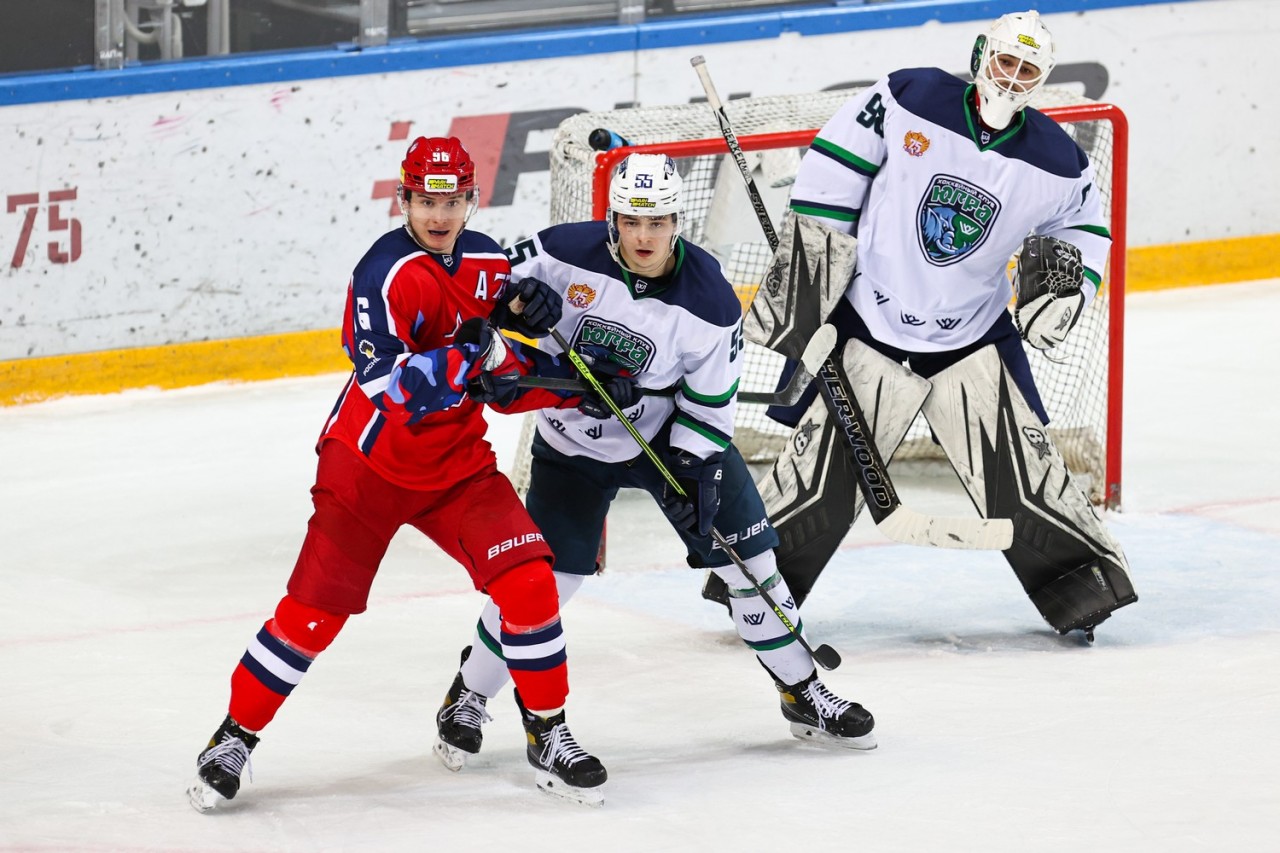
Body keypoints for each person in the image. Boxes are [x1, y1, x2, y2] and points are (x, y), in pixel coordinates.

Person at [187, 136, 608, 812]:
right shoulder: (383, 273)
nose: (439, 214)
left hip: (456, 467)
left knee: (532, 582)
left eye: (452, 201)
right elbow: (391, 387)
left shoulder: (487, 260)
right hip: (367, 469)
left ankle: (549, 734)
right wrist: (468, 353)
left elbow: (497, 376)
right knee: (313, 617)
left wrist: (570, 382)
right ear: (404, 199)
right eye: (425, 201)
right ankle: (233, 738)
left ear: (471, 200)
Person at [432, 153, 876, 782]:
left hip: (667, 438)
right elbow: (477, 285)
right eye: (631, 220)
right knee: (545, 584)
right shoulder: (562, 251)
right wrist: (506, 305)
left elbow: (711, 402)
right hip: (573, 443)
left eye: (658, 221)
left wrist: (698, 472)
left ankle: (802, 690)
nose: (644, 236)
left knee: (751, 562)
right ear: (612, 219)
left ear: (678, 221)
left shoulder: (710, 299)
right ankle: (470, 694)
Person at [722, 9, 1136, 636]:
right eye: (1005, 61)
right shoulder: (910, 95)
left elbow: (1083, 228)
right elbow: (836, 166)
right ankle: (757, 591)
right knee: (817, 479)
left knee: (1024, 477)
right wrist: (814, 289)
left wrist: (1071, 287)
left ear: (1041, 78)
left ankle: (1080, 585)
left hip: (970, 334)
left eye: (1028, 69)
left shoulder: (1058, 159)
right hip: (869, 322)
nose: (1012, 77)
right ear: (981, 55)